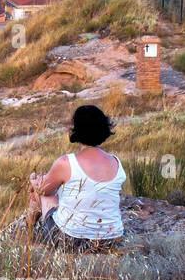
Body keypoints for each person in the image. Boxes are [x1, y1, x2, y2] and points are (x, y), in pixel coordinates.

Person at [27, 105, 125, 249]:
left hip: (71, 240)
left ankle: (27, 230)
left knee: (43, 194)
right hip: (110, 240)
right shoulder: (116, 162)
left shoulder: (67, 163)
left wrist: (33, 180)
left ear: (77, 129)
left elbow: (44, 191)